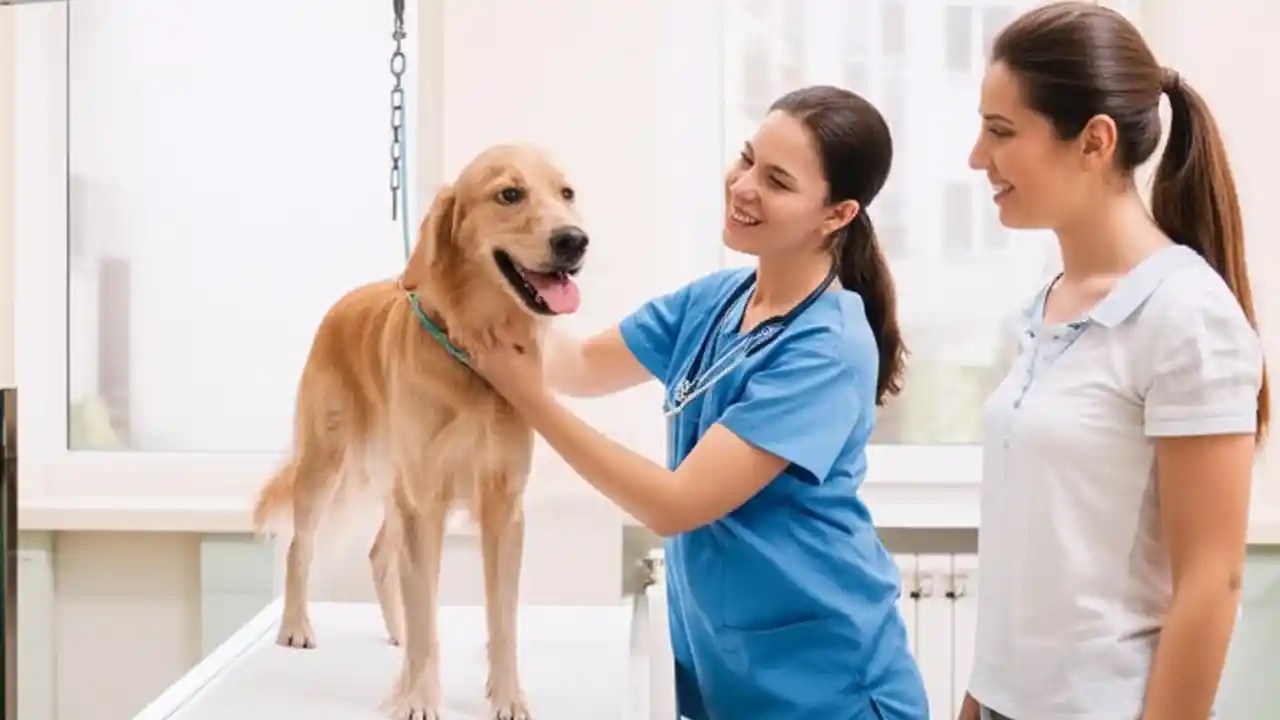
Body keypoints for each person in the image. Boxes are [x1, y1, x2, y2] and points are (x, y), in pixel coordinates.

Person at [472, 85, 929, 719]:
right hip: (732, 679)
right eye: (746, 159)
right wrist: (486, 295)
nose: (743, 186)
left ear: (837, 215)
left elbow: (674, 505)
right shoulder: (716, 300)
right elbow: (578, 367)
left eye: (776, 180)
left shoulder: (829, 345)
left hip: (830, 690)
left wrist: (526, 397)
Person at [959, 4, 1267, 720]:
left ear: (1093, 142)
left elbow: (1210, 583)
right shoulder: (1048, 306)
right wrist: (979, 698)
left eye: (1001, 131)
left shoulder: (1189, 316)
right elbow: (1033, 548)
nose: (978, 157)